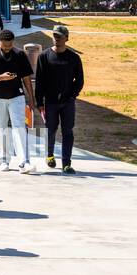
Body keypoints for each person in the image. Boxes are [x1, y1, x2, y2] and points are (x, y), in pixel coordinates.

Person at [0, 28, 37, 172]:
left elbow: (26, 77)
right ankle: (3, 160)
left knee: (19, 127)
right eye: (5, 46)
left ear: (13, 42)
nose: (8, 48)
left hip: (16, 95)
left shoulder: (20, 54)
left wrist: (31, 98)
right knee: (0, 128)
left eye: (10, 45)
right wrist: (1, 77)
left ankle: (24, 161)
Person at [35, 24, 84, 172]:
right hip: (50, 102)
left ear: (66, 38)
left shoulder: (74, 58)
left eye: (59, 36)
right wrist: (40, 102)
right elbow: (40, 81)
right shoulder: (44, 56)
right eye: (54, 36)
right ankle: (49, 155)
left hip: (67, 103)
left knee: (67, 131)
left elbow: (80, 80)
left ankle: (66, 163)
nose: (56, 38)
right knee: (50, 130)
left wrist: (71, 96)